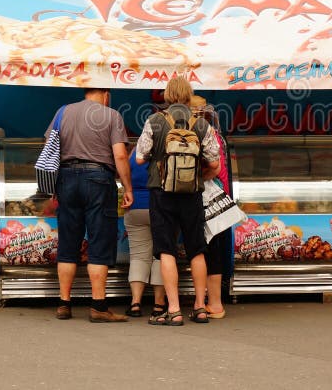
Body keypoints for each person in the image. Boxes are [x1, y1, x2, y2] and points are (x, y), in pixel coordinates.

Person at [135, 77, 220, 326]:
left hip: (161, 193)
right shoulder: (202, 124)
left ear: (167, 95)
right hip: (192, 194)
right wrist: (200, 177)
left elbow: (140, 158)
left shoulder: (154, 121)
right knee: (196, 249)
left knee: (166, 250)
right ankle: (200, 307)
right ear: (188, 95)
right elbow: (214, 163)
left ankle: (173, 309)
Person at [47, 87, 133, 322]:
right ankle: (98, 306)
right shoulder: (111, 115)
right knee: (99, 240)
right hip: (98, 179)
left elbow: (50, 147)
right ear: (105, 93)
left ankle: (64, 303)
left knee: (68, 241)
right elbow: (121, 156)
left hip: (66, 179)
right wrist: (128, 188)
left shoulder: (62, 112)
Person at [190, 95, 229, 320]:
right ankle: (212, 302)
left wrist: (194, 179)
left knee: (205, 250)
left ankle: (211, 302)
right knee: (213, 249)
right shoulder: (218, 135)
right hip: (220, 196)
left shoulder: (202, 133)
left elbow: (213, 168)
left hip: (205, 197)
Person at [123, 147, 167, 319]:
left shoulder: (134, 151)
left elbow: (124, 173)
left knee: (138, 256)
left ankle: (135, 303)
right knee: (161, 255)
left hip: (135, 207)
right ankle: (158, 304)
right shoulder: (168, 147)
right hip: (162, 207)